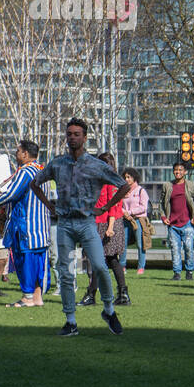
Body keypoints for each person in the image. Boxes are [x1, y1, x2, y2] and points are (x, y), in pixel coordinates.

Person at [29, 118, 129, 337]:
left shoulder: (96, 165)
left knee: (101, 267)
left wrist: (106, 207)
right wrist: (49, 206)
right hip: (64, 223)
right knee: (65, 271)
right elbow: (34, 183)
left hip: (86, 223)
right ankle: (70, 320)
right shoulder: (57, 163)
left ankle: (109, 310)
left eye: (76, 134)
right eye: (69, 134)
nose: (72, 138)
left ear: (84, 138)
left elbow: (123, 185)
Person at [0, 140, 50, 307]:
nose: (16, 154)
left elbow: (11, 194)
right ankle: (37, 297)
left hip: (25, 227)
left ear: (25, 154)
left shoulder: (26, 171)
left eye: (18, 151)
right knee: (38, 262)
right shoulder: (42, 171)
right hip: (40, 228)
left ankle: (27, 297)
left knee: (25, 260)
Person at [78, 152, 131, 307]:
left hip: (108, 224)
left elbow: (114, 205)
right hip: (99, 222)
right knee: (111, 260)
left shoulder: (112, 181)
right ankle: (122, 294)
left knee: (99, 260)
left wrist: (110, 227)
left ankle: (92, 295)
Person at [159, 161, 194, 281]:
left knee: (189, 248)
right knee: (175, 249)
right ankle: (177, 273)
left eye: (180, 170)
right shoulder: (167, 185)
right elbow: (161, 204)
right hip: (173, 224)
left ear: (185, 172)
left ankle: (189, 272)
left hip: (188, 223)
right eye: (175, 170)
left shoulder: (191, 185)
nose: (177, 172)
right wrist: (163, 217)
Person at [119, 168, 149, 274]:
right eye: (125, 177)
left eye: (129, 177)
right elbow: (118, 204)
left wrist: (130, 212)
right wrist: (124, 212)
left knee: (141, 244)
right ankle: (122, 266)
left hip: (138, 220)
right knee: (122, 243)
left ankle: (141, 267)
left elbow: (143, 207)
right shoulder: (123, 191)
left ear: (134, 178)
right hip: (125, 220)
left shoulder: (141, 191)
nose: (127, 179)